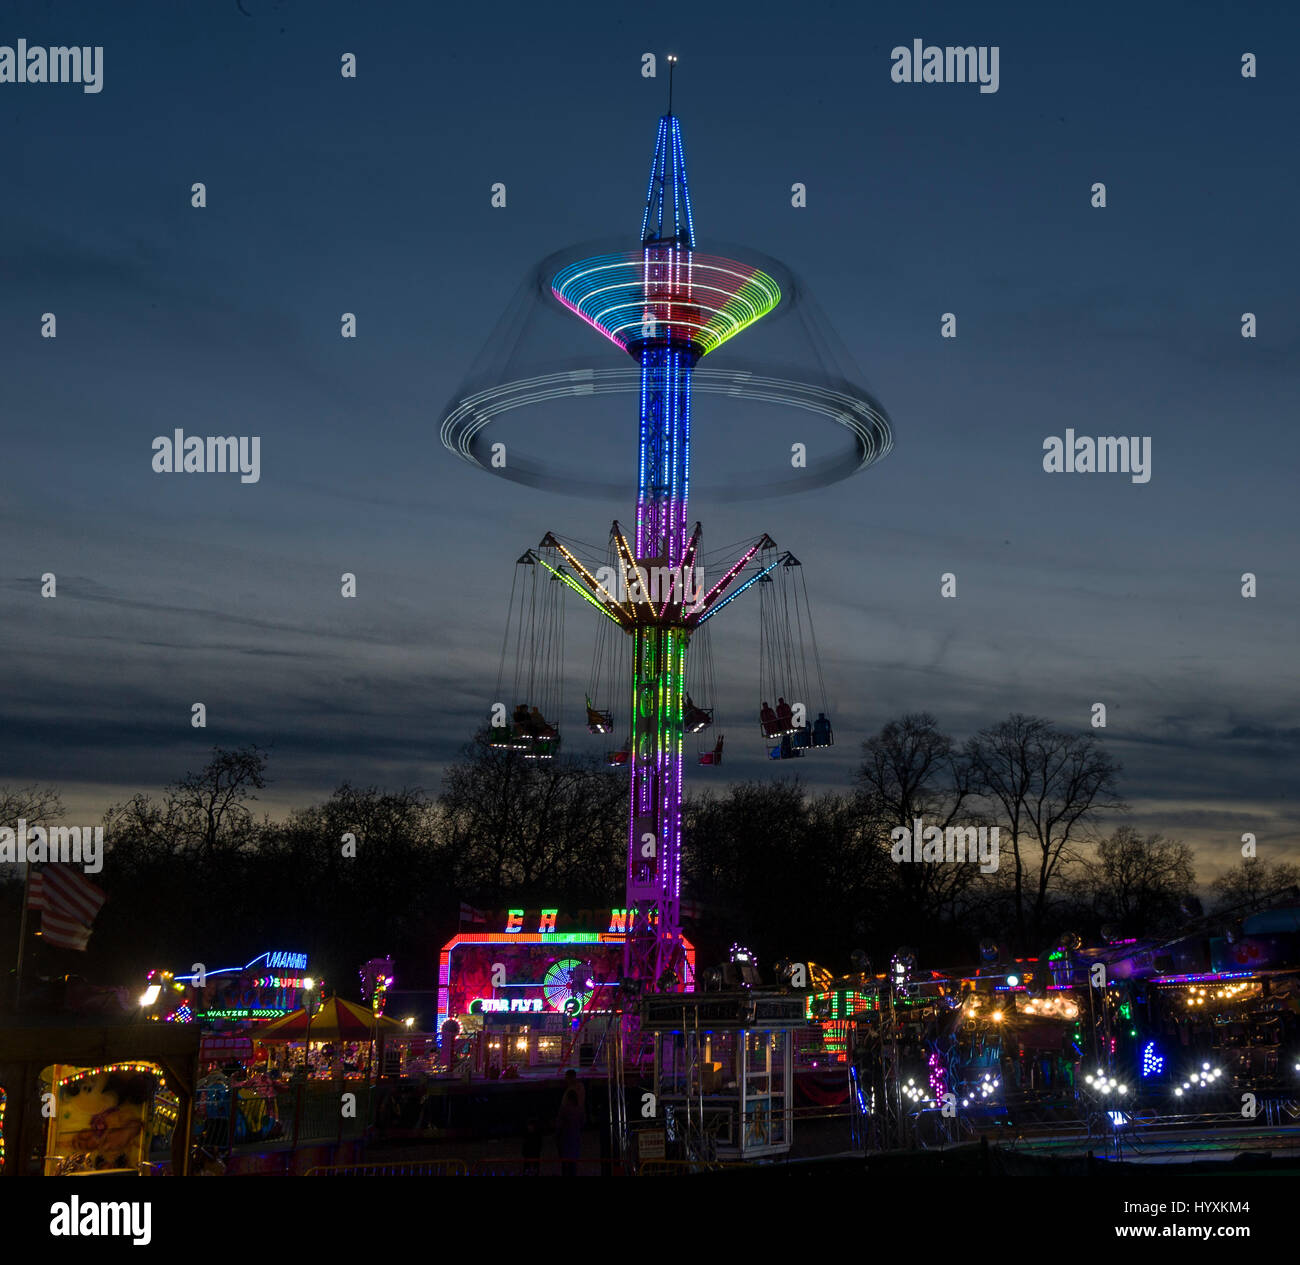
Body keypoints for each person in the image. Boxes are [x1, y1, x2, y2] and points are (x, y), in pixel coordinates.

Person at [555, 1088, 584, 1177]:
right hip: (575, 1139)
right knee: (572, 1166)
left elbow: (559, 1125)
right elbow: (582, 1123)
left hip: (565, 1140)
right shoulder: (579, 1110)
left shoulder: (564, 1110)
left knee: (565, 1166)